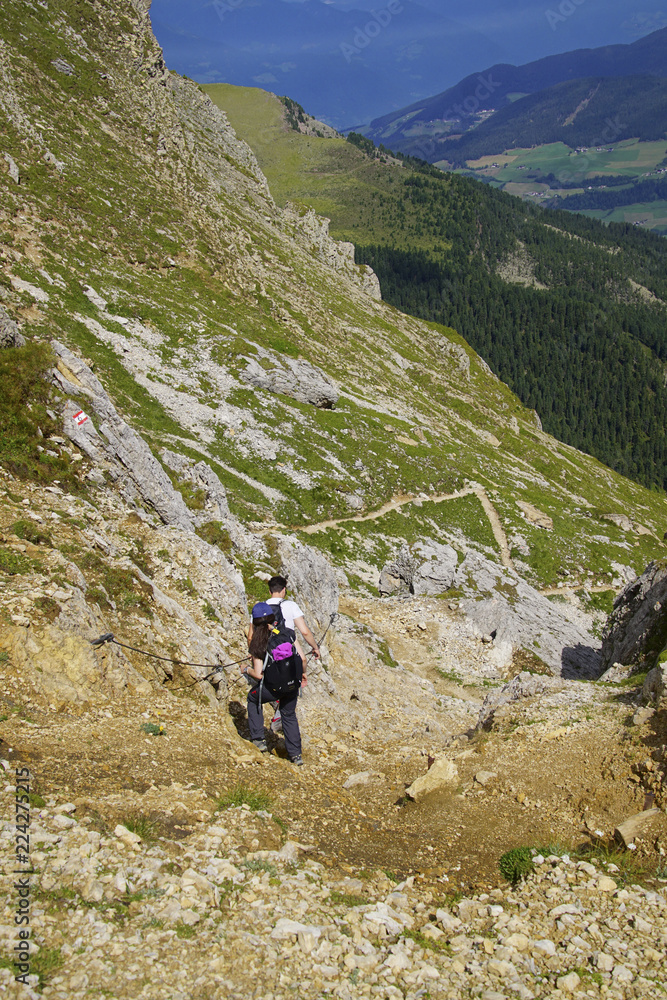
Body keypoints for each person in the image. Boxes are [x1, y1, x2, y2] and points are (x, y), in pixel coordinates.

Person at [245, 602, 304, 766]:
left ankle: (258, 739)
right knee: (289, 715)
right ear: (272, 617)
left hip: (273, 688)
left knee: (252, 698)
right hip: (293, 684)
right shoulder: (288, 633)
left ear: (255, 622)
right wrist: (302, 675)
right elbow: (302, 658)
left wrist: (245, 670)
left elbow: (258, 674)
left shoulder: (258, 643)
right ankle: (296, 755)